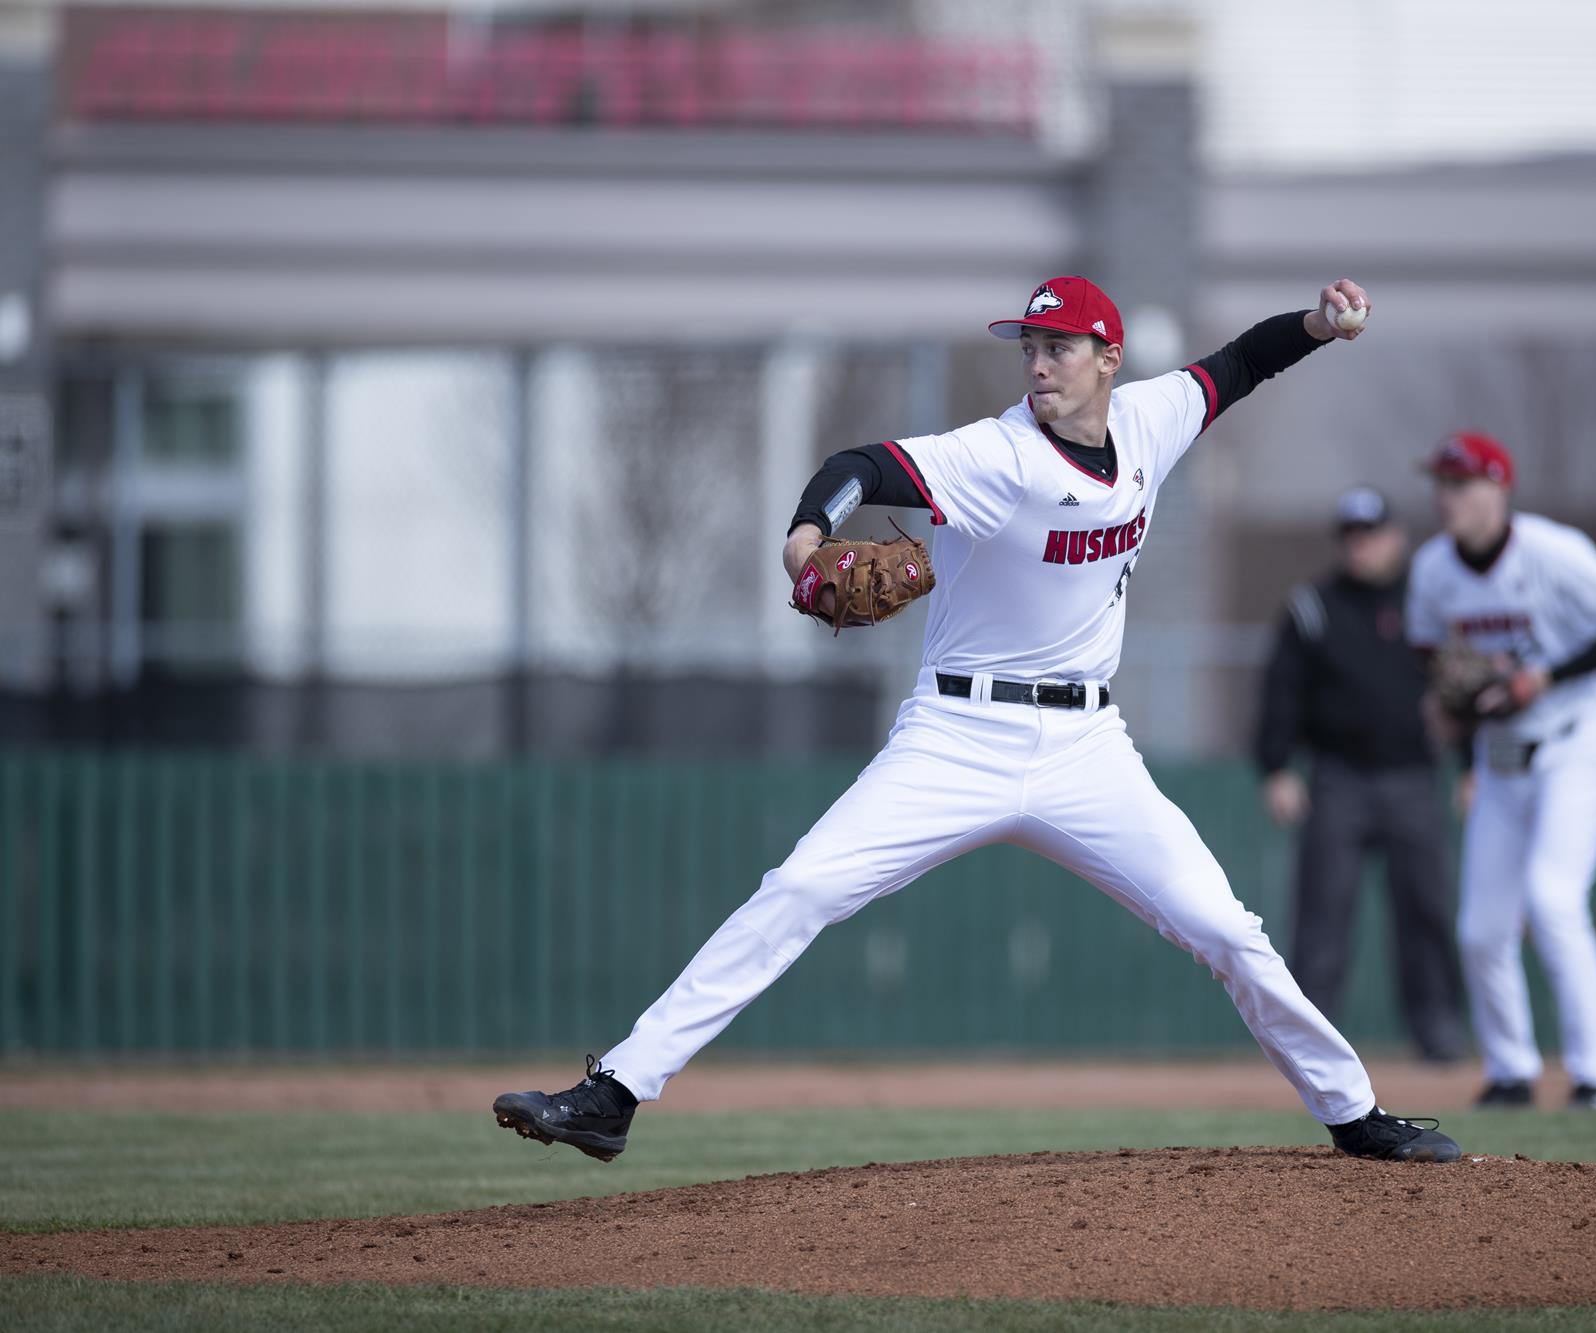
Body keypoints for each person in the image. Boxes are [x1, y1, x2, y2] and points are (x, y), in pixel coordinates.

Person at [493, 275, 1460, 1164]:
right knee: (800, 889)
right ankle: (616, 1091)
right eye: (1028, 346)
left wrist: (1322, 326)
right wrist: (805, 542)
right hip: (956, 736)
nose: (1039, 362)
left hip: (1088, 746)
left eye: (1060, 346)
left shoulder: (1153, 418)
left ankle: (1353, 1113)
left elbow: (1242, 363)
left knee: (1226, 928)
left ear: (1108, 358)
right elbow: (859, 463)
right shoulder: (995, 455)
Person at [1404, 431, 1596, 1112]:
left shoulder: (1553, 551)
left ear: (1498, 488)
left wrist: (1545, 677)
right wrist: (1456, 734)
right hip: (1499, 760)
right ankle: (1512, 1070)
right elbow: (1435, 665)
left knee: (1552, 899)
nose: (1447, 497)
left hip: (1575, 744)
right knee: (1482, 927)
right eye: (1441, 484)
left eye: (1461, 484)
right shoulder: (1433, 570)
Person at [1254, 486, 1468, 1064]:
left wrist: (1470, 764)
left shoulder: (1427, 605)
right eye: (1352, 536)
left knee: (1425, 910)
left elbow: (1460, 687)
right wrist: (1276, 766)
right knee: (1323, 916)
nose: (1363, 546)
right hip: (1338, 779)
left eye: (1372, 534)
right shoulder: (1314, 606)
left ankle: (1439, 1033)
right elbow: (1281, 692)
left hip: (1413, 778)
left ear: (1396, 536)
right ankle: (1310, 1043)